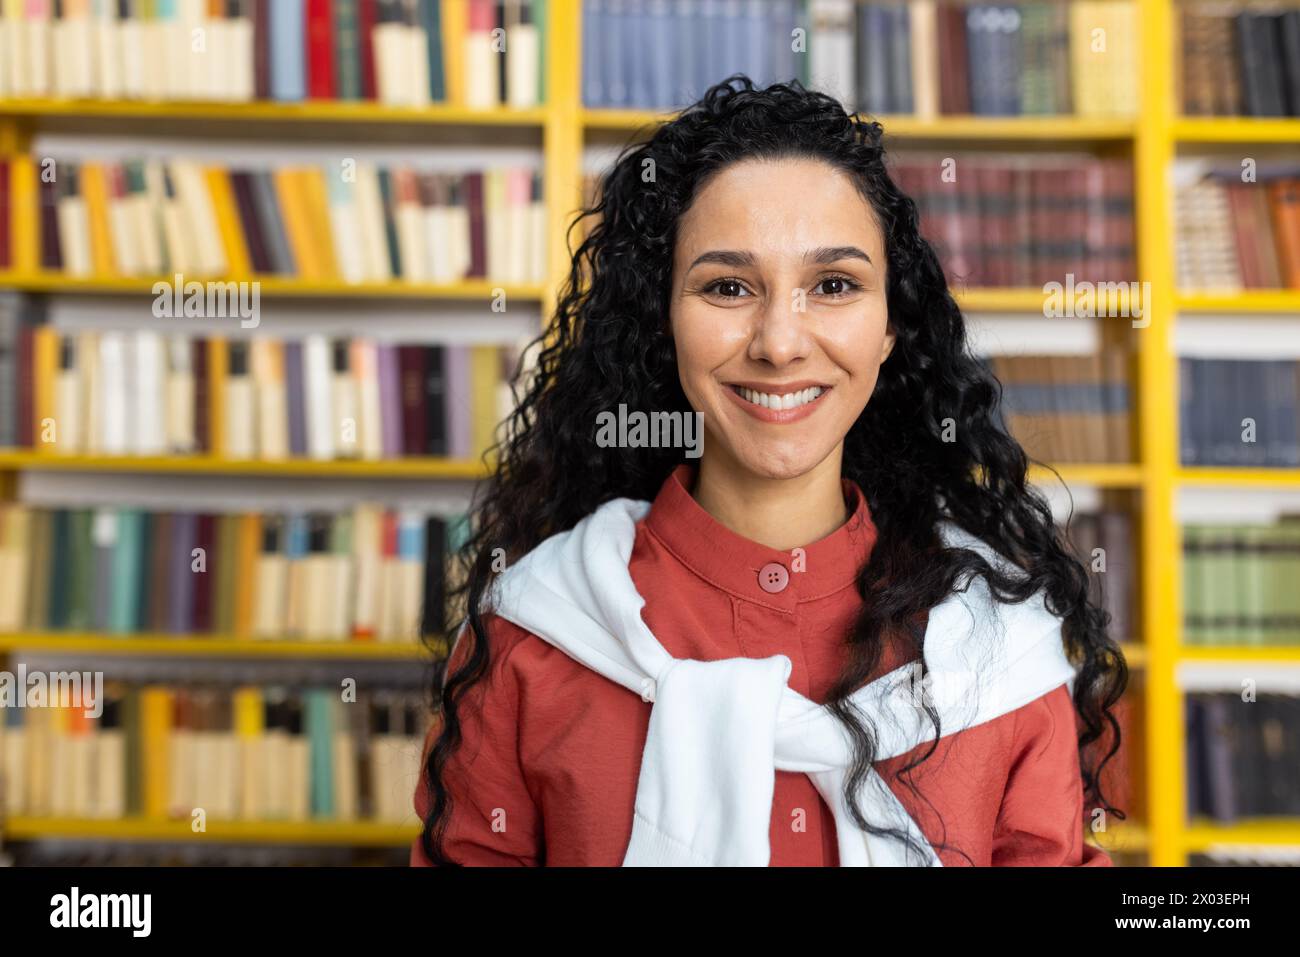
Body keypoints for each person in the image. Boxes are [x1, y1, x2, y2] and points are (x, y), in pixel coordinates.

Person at [412, 77, 1128, 867]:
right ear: (665, 321)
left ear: (890, 327)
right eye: (727, 286)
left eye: (833, 285)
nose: (780, 342)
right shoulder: (529, 632)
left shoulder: (999, 645)